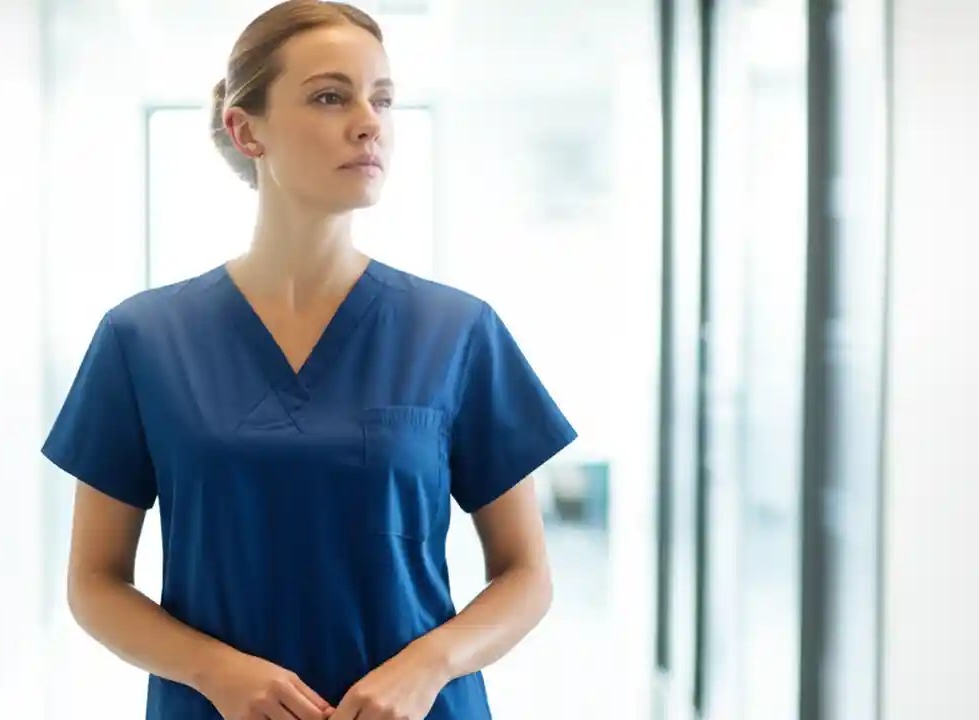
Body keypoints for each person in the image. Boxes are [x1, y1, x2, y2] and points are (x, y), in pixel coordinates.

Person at [41, 2, 578, 718]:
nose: (369, 121)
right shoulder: (142, 339)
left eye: (381, 98)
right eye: (331, 96)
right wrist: (217, 673)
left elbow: (527, 576)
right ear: (246, 128)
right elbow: (95, 584)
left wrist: (426, 668)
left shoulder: (456, 330)